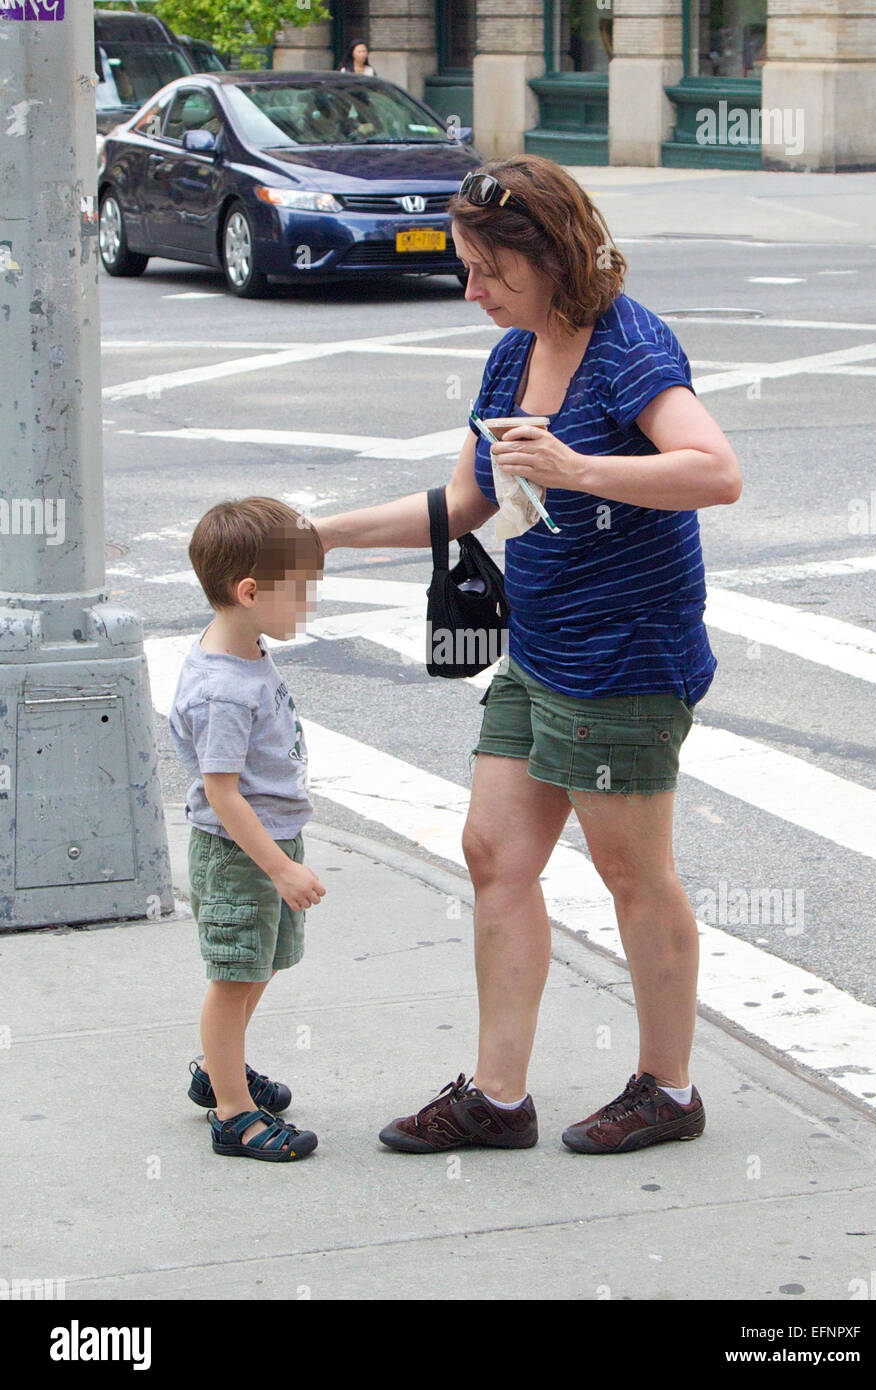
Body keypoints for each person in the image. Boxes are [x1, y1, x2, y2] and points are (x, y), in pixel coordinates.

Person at [313, 154, 742, 1157]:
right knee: (494, 853)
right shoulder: (511, 355)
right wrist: (320, 535)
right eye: (464, 268)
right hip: (540, 645)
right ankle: (498, 1099)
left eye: (487, 271)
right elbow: (469, 501)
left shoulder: (629, 347)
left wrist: (576, 466)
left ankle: (667, 1087)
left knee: (632, 871)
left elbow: (717, 471)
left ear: (548, 256)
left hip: (626, 652)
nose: (470, 289)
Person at [168, 498, 327, 1162]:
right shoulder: (224, 690)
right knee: (234, 977)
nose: (310, 606)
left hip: (263, 847)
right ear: (250, 591)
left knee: (257, 966)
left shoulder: (245, 646)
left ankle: (218, 1067)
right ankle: (232, 1111)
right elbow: (221, 792)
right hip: (242, 854)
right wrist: (279, 868)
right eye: (302, 593)